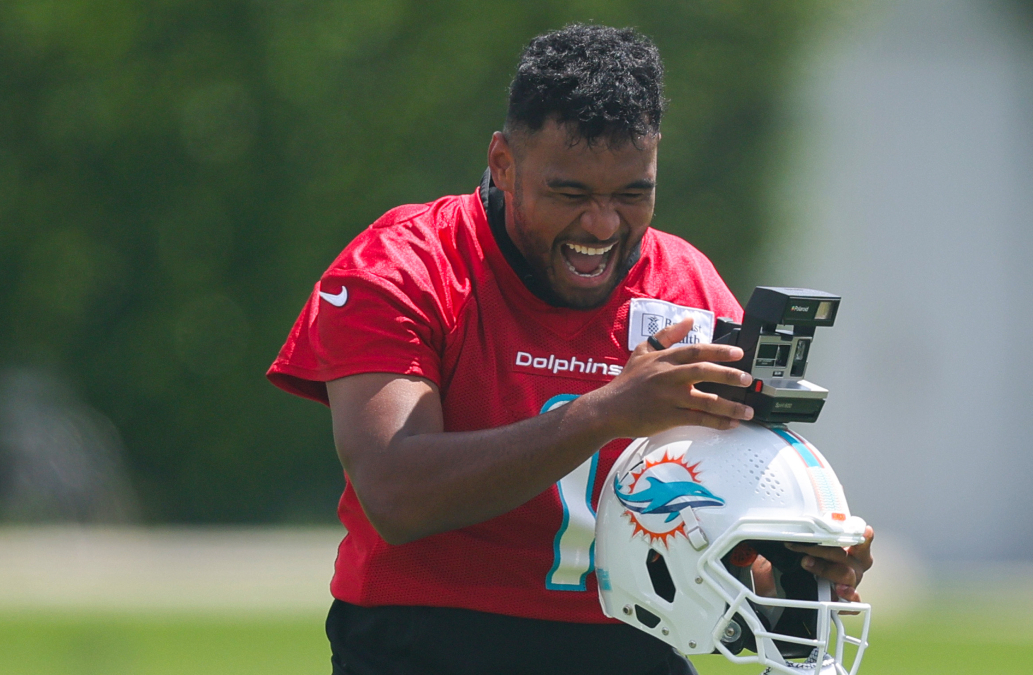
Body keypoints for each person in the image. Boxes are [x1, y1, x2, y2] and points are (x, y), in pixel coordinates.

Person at [268, 23, 873, 675]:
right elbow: (396, 493)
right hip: (427, 641)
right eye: (571, 193)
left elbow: (712, 538)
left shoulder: (685, 285)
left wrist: (795, 569)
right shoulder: (402, 265)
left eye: (631, 194)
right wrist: (603, 413)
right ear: (504, 163)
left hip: (628, 642)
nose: (603, 224)